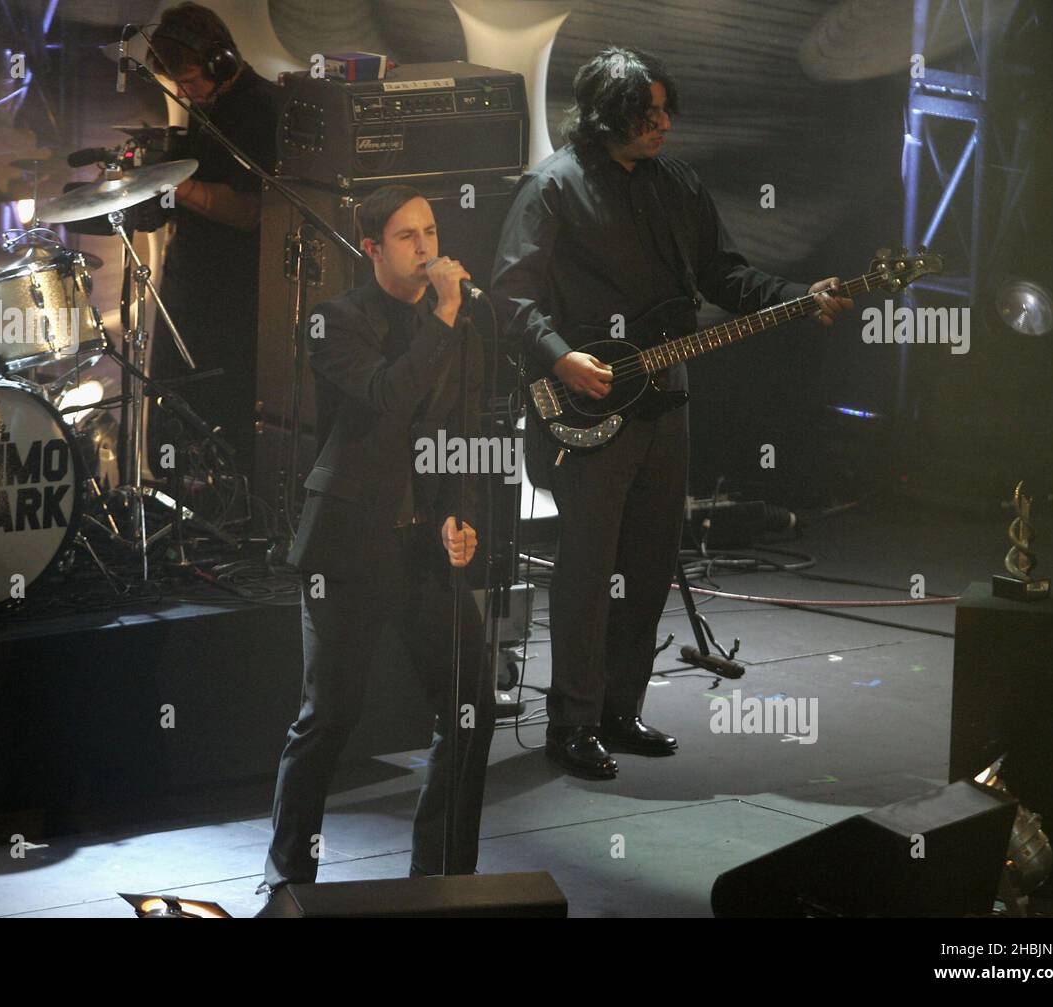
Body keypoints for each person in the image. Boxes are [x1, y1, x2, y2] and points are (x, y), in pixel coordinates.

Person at [492, 47, 853, 780]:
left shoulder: (678, 184)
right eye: (646, 113)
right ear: (605, 116)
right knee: (588, 571)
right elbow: (510, 295)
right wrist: (561, 358)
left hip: (666, 399)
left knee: (651, 564)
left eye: (664, 111)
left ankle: (619, 710)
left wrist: (797, 296)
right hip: (588, 401)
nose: (663, 125)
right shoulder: (552, 186)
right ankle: (572, 722)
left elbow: (724, 274)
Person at [262, 184, 495, 891]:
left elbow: (462, 434)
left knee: (470, 703)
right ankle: (289, 874)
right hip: (347, 545)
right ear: (372, 248)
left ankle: (442, 874)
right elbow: (392, 396)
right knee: (330, 717)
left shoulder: (458, 326)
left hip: (423, 545)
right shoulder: (335, 321)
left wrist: (459, 514)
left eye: (431, 232)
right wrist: (444, 317)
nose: (426, 247)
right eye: (407, 236)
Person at [144, 2, 277, 480]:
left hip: (229, 294)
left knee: (219, 410)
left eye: (189, 81)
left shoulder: (258, 108)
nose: (183, 93)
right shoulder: (208, 106)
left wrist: (174, 187)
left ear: (221, 61)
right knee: (173, 402)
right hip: (190, 281)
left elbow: (248, 210)